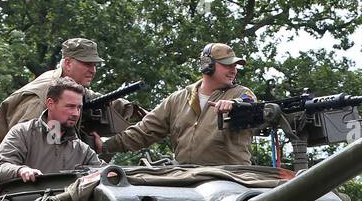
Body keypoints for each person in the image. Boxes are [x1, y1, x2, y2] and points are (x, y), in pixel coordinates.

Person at [100, 43, 259, 165]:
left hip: (229, 177)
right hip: (185, 177)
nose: (233, 70)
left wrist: (235, 105)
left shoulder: (241, 93)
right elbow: (144, 132)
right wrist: (105, 146)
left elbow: (251, 106)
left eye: (235, 66)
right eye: (227, 65)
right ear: (207, 65)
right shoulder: (178, 99)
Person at [0, 37, 107, 162]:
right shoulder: (41, 97)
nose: (93, 70)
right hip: (17, 167)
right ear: (68, 63)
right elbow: (25, 145)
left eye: (95, 65)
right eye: (87, 64)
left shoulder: (70, 88)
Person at [0, 78, 102, 185]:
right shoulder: (23, 132)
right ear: (50, 104)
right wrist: (21, 171)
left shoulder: (82, 149)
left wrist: (112, 173)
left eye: (79, 108)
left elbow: (104, 171)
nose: (76, 114)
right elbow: (0, 168)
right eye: (70, 106)